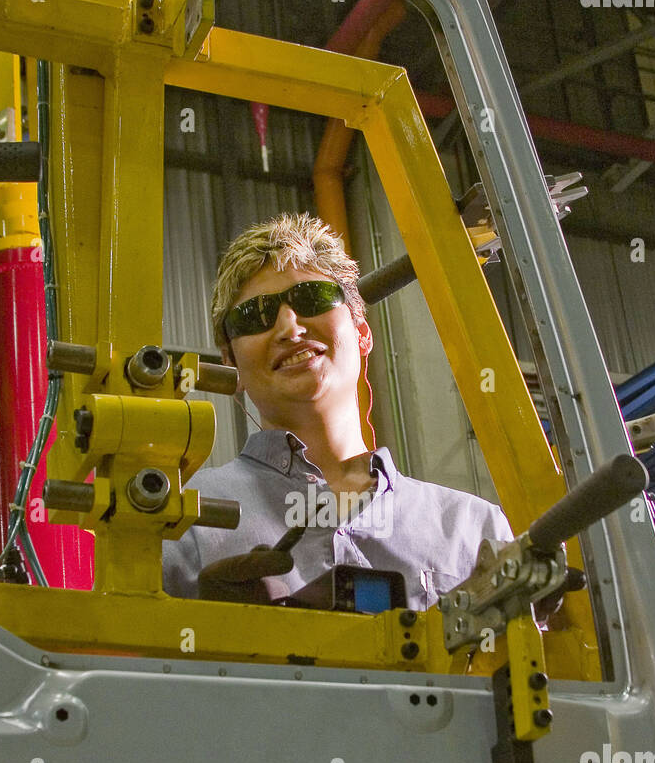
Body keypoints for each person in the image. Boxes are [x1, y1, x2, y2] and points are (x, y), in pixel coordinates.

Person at [162, 212, 513, 609]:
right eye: (255, 316)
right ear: (230, 362)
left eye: (312, 298)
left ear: (362, 332)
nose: (290, 329)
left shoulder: (477, 530)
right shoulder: (180, 518)